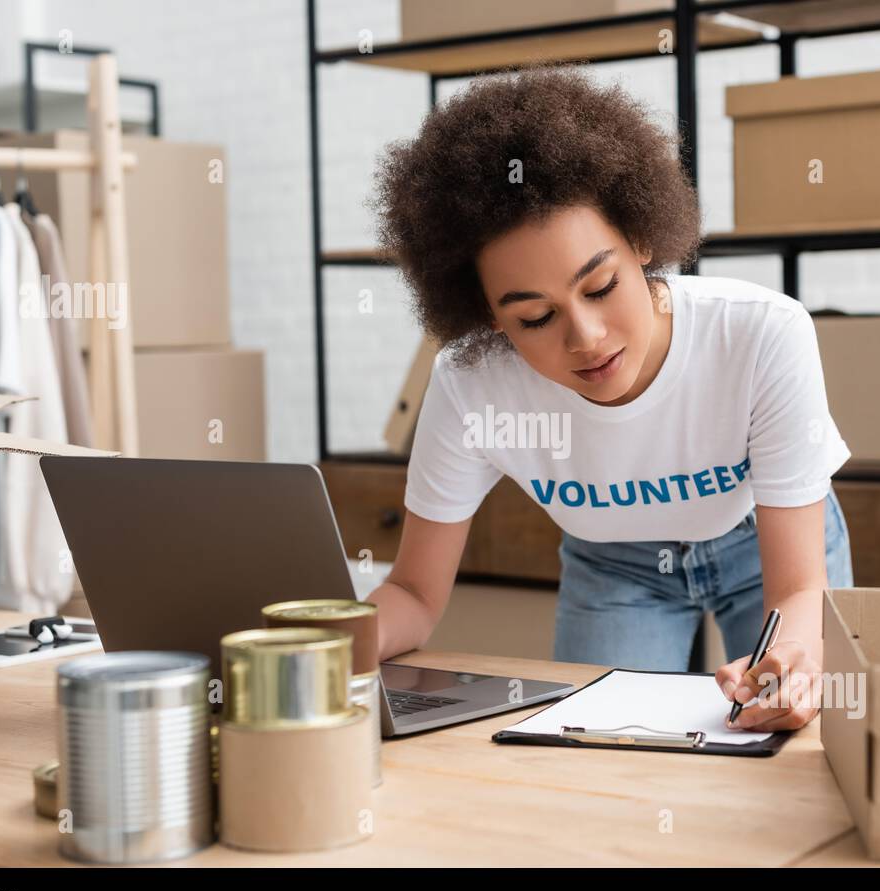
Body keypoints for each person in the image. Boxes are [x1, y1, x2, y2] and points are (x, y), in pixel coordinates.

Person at [366, 66, 854, 732]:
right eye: (535, 318)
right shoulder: (470, 383)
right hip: (614, 560)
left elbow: (798, 591)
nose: (587, 338)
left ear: (642, 239)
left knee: (797, 737)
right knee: (598, 747)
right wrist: (334, 644)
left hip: (757, 536)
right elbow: (415, 595)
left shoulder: (762, 334)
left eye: (599, 287)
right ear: (487, 317)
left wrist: (795, 658)